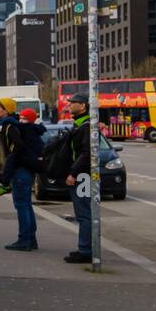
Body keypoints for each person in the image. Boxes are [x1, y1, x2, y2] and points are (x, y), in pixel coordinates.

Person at [0, 97, 38, 251]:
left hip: (20, 170)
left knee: (22, 206)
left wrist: (11, 160)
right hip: (25, 169)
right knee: (26, 205)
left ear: (6, 110)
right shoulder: (13, 123)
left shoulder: (9, 125)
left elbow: (17, 145)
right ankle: (31, 239)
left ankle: (24, 240)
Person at [62, 93, 94, 264]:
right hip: (80, 173)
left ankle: (86, 250)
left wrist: (73, 173)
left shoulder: (86, 126)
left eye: (72, 103)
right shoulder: (79, 124)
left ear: (82, 106)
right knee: (82, 213)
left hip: (82, 175)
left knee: (84, 214)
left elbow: (85, 153)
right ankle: (85, 248)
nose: (69, 105)